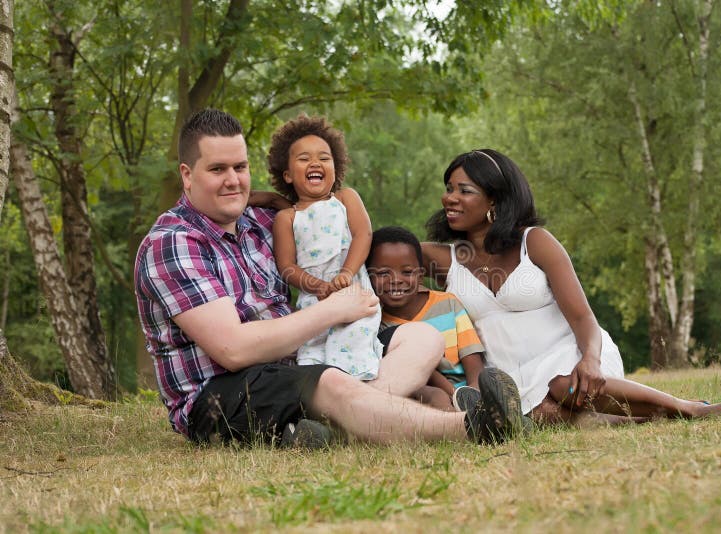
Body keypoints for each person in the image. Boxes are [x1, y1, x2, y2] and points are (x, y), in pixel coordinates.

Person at [134, 109, 523, 447]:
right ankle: (475, 427)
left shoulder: (259, 222)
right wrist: (335, 309)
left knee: (424, 338)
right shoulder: (173, 243)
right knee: (333, 382)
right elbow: (232, 350)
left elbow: (307, 207)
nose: (233, 180)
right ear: (187, 175)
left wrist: (266, 197)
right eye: (217, 169)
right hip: (221, 393)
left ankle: (344, 422)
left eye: (240, 167)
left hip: (298, 361)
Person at [422, 149, 721, 426]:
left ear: (495, 198)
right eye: (449, 189)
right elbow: (390, 251)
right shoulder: (444, 259)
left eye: (464, 190)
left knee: (563, 387)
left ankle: (686, 407)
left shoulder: (534, 242)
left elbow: (583, 317)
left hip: (568, 354)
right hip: (509, 375)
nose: (450, 198)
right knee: (543, 415)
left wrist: (590, 360)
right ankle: (634, 419)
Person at [267, 115, 382, 380]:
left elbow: (363, 234)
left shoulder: (345, 198)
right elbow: (287, 266)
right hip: (314, 300)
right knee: (312, 356)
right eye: (304, 158)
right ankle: (321, 398)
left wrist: (346, 272)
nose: (315, 163)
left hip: (351, 291)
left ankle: (360, 390)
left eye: (324, 158)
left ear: (336, 168)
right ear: (287, 175)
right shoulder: (287, 218)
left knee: (353, 348)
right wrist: (316, 286)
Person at [366, 226, 485, 412]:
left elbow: (472, 357)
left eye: (407, 272)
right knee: (434, 395)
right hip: (422, 391)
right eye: (383, 273)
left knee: (486, 387)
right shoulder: (378, 326)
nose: (396, 280)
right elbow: (426, 374)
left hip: (465, 389)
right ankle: (459, 421)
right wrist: (453, 394)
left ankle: (486, 411)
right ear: (368, 278)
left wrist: (474, 391)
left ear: (420, 275)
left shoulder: (447, 304)